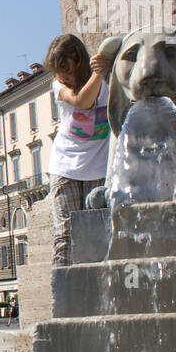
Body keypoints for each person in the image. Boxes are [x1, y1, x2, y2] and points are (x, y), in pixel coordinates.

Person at [45, 33, 113, 266]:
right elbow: (83, 102)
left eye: (66, 68)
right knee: (65, 234)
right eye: (58, 70)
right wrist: (97, 73)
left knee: (97, 232)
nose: (62, 75)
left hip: (98, 168)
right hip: (66, 168)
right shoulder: (60, 86)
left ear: (79, 61)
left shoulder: (106, 85)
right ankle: (62, 297)